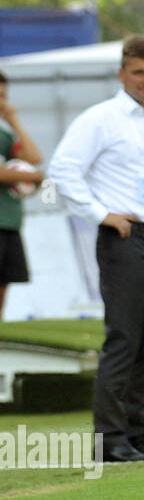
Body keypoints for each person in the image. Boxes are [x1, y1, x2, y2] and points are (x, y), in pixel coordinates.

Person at [48, 35, 144, 463]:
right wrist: (101, 214)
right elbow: (63, 168)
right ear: (122, 73)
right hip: (125, 238)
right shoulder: (102, 118)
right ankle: (109, 439)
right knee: (124, 338)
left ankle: (137, 434)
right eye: (138, 72)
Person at [0, 72, 45, 318]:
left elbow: (34, 158)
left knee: (4, 285)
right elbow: (33, 172)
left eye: (4, 96)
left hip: (9, 221)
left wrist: (14, 121)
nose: (2, 102)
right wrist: (33, 178)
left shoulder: (5, 136)